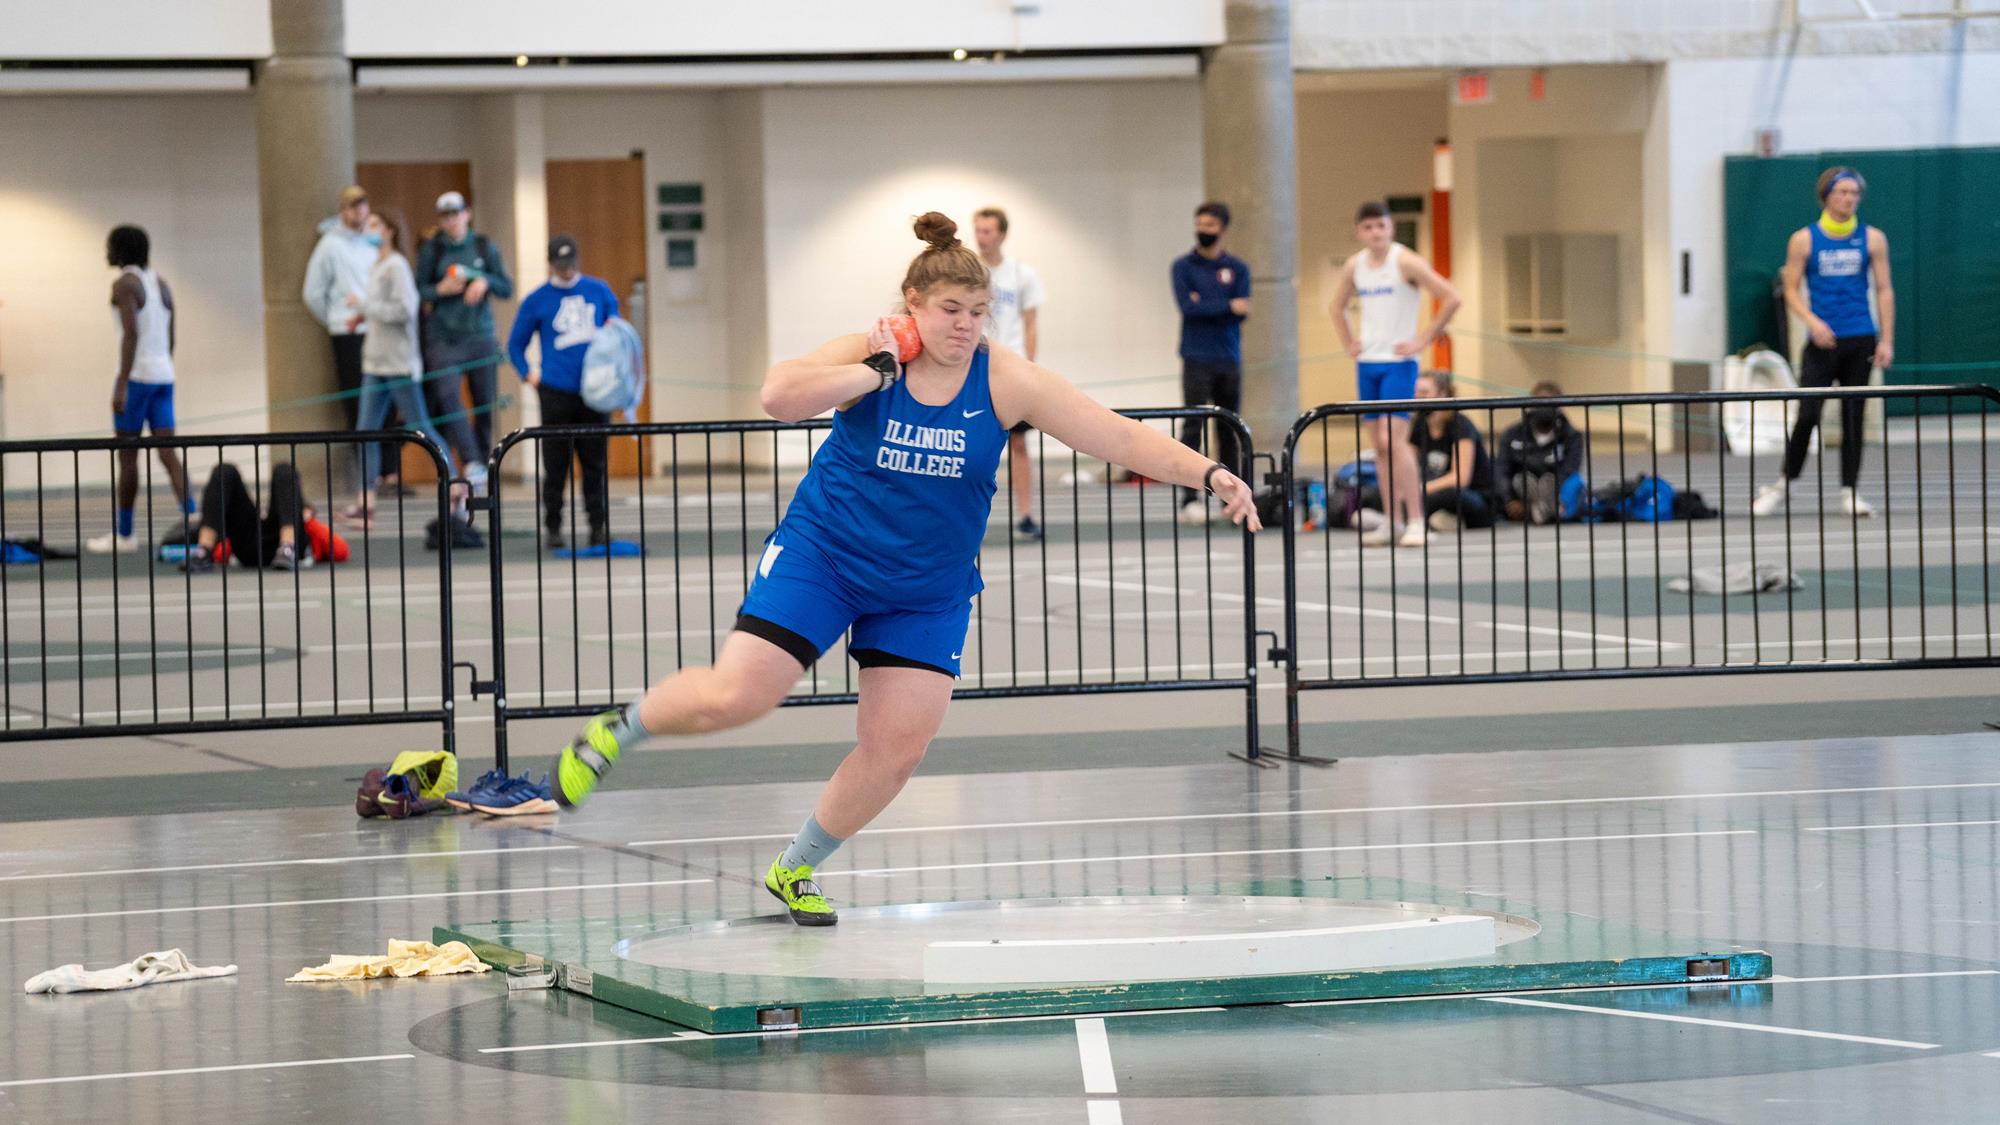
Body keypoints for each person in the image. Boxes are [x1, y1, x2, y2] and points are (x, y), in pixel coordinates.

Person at [544, 213, 1261, 927]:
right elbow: (779, 394)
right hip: (827, 555)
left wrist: (1209, 471)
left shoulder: (1006, 378)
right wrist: (876, 367)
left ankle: (796, 866)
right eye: (950, 310)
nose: (965, 326)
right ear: (911, 305)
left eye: (978, 312)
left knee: (896, 749)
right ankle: (619, 728)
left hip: (924, 589)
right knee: (738, 695)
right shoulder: (874, 349)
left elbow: (1115, 433)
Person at [1753, 166, 1893, 518]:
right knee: (1808, 414)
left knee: (1853, 416)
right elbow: (1790, 288)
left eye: (1854, 193)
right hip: (1822, 341)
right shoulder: (1804, 239)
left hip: (1860, 337)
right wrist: (1812, 322)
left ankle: (1850, 491)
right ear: (1826, 196)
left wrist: (1886, 339)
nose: (1849, 199)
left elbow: (1884, 289)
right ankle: (1784, 483)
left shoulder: (1872, 238)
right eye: (1842, 192)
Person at [1330, 201, 1462, 549]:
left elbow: (1450, 298)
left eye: (1381, 226)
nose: (1375, 233)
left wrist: (1423, 338)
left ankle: (1416, 519)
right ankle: (1392, 521)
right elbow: (1337, 306)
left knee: (1394, 441)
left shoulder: (1406, 261)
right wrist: (1349, 343)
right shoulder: (1355, 266)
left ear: (1391, 228)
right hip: (1368, 363)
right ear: (1359, 232)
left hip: (1398, 362)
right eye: (1368, 227)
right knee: (1379, 446)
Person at [345, 208, 458, 527]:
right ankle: (364, 503)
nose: (370, 228)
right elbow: (383, 312)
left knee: (421, 425)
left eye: (377, 223)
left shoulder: (396, 266)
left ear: (391, 230)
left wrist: (365, 306)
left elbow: (405, 310)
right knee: (365, 433)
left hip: (398, 364)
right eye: (368, 224)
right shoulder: (376, 266)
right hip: (375, 362)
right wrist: (363, 317)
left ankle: (455, 486)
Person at [509, 234, 620, 549]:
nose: (567, 270)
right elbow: (516, 343)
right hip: (556, 391)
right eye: (561, 265)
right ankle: (553, 525)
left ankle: (598, 526)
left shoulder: (599, 291)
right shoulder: (537, 299)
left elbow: (617, 331)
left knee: (595, 463)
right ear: (551, 265)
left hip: (595, 391)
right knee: (555, 464)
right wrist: (528, 374)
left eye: (571, 264)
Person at [87, 225, 194, 555]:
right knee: (168, 452)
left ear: (121, 250)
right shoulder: (161, 283)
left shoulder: (124, 284)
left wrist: (122, 383)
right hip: (164, 375)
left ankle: (125, 534)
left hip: (137, 379)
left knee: (128, 456)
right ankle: (196, 519)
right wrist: (161, 364)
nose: (106, 253)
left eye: (109, 247)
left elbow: (130, 333)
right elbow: (171, 335)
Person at [302, 185, 399, 493]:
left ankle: (389, 473)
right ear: (343, 211)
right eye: (354, 207)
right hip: (348, 333)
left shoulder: (374, 243)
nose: (360, 211)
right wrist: (338, 319)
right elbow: (313, 293)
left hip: (378, 330)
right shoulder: (330, 246)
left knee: (388, 402)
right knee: (358, 406)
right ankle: (367, 479)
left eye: (364, 205)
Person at [415, 191, 508, 490]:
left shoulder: (484, 246)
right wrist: (440, 289)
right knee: (449, 398)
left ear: (466, 214)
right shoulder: (433, 251)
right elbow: (417, 291)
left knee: (484, 403)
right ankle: (471, 460)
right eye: (445, 215)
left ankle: (483, 464)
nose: (451, 220)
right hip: (443, 338)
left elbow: (506, 287)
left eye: (456, 214)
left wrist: (485, 281)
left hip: (480, 336)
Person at [1170, 201, 1251, 525]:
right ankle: (1190, 498)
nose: (1203, 231)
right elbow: (1188, 309)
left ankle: (1230, 496)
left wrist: (1208, 305)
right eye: (1199, 224)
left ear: (1222, 229)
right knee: (1193, 427)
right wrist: (1227, 305)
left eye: (1210, 226)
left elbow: (1244, 309)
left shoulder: (1239, 268)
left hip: (1228, 358)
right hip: (1195, 357)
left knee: (1228, 429)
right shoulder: (1183, 267)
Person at [972, 207, 1047, 540]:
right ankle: (968, 518)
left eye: (987, 231)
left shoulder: (1021, 274)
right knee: (972, 442)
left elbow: (1031, 323)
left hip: (1011, 368)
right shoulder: (970, 273)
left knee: (1018, 444)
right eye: (978, 230)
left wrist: (1028, 365)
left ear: (1001, 234)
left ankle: (1026, 514)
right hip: (976, 369)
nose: (981, 236)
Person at [178, 460, 348, 573]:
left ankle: (287, 548)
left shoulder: (308, 526)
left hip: (286, 540)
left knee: (284, 470)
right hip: (252, 544)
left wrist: (308, 520)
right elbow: (222, 553)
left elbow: (341, 550)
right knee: (224, 471)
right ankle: (203, 551)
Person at [1409, 371, 1495, 532]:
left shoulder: (1461, 425)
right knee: (1383, 492)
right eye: (1417, 392)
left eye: (1425, 392)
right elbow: (1409, 465)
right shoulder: (1420, 425)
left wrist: (1421, 489)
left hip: (1473, 497)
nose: (1418, 397)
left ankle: (1422, 519)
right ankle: (1421, 519)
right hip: (1433, 492)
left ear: (1443, 394)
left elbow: (1460, 478)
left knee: (1449, 495)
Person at [1495, 381, 1586, 525]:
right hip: (1521, 493)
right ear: (1530, 405)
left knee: (1574, 483)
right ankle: (1540, 510)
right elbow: (1502, 470)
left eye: (1549, 403)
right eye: (1539, 402)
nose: (1544, 408)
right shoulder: (1512, 434)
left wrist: (1555, 494)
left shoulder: (1572, 436)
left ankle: (1540, 509)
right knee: (1520, 480)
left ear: (1560, 407)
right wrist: (1510, 501)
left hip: (1556, 493)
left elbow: (1569, 470)